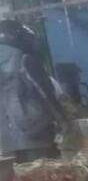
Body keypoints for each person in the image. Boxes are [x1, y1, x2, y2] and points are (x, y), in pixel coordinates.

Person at [0, 20, 64, 163]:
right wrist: (62, 120)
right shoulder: (25, 59)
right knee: (48, 176)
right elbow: (45, 93)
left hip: (7, 138)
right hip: (36, 130)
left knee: (24, 180)